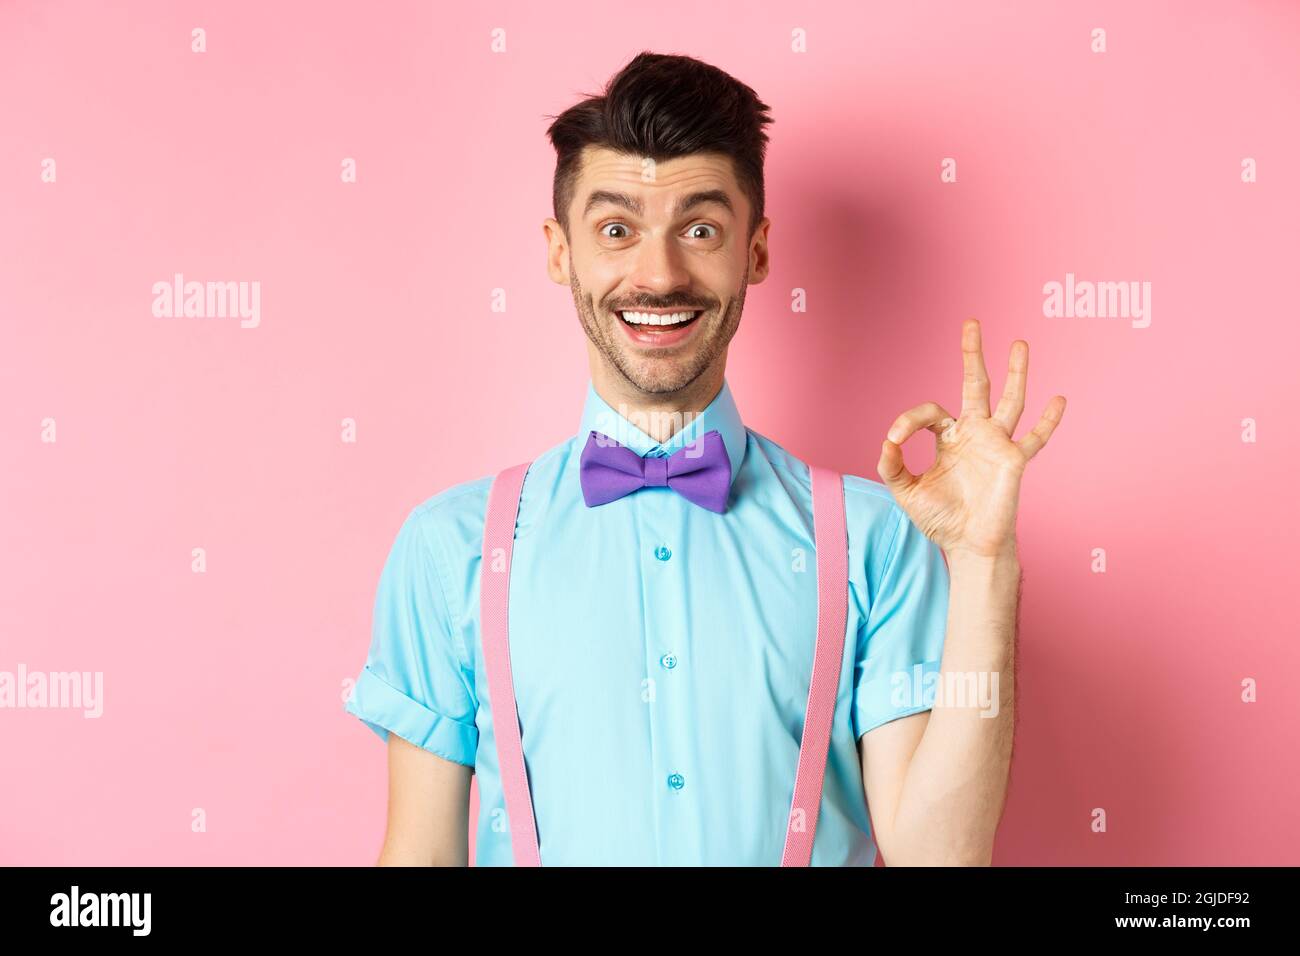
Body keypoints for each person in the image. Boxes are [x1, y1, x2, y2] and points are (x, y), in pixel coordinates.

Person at [344, 51, 1065, 866]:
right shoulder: (451, 549)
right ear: (559, 253)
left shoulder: (876, 539)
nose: (658, 274)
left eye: (699, 229)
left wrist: (982, 564)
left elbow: (942, 858)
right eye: (617, 230)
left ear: (755, 253)